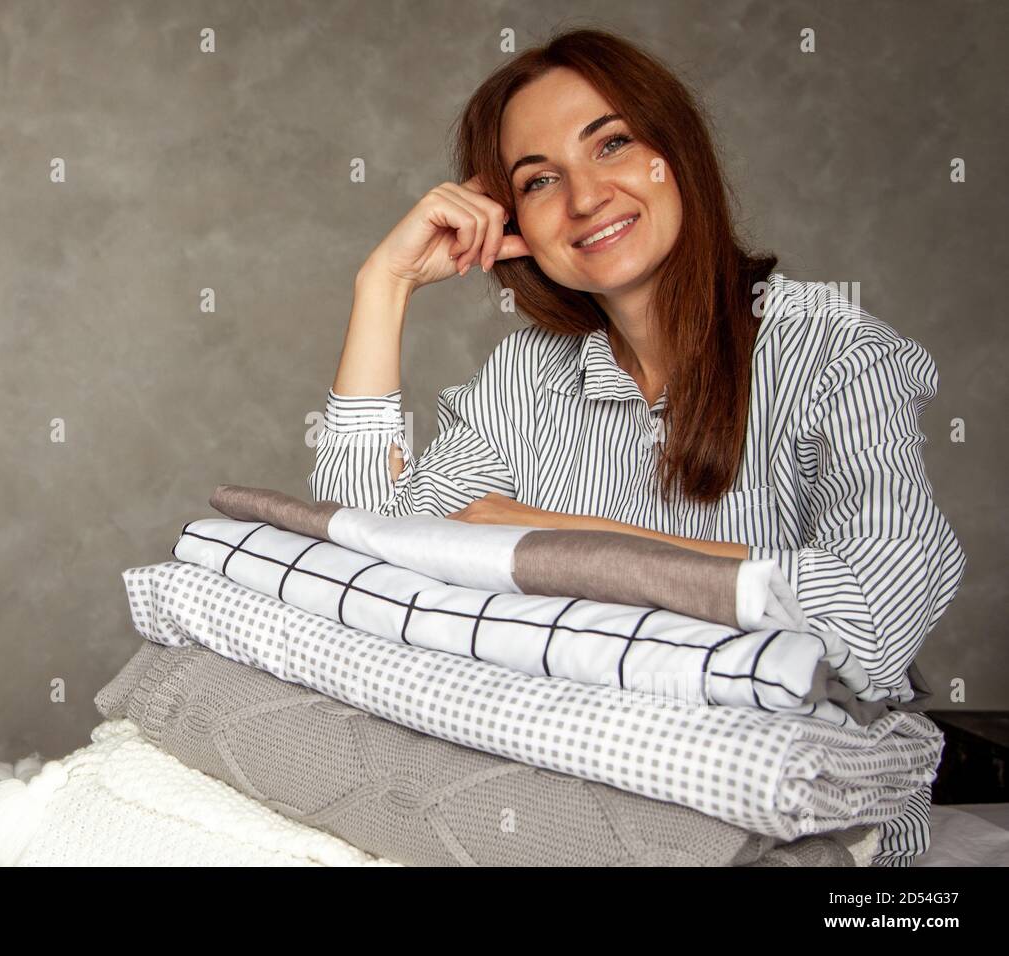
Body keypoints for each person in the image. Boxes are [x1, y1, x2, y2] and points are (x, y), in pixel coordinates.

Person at [308, 28, 965, 867]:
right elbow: (358, 565)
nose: (584, 199)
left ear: (676, 152)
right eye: (539, 180)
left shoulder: (836, 353)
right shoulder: (526, 377)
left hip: (788, 824)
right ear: (514, 224)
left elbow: (877, 615)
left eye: (612, 143)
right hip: (566, 793)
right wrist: (385, 286)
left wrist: (553, 540)